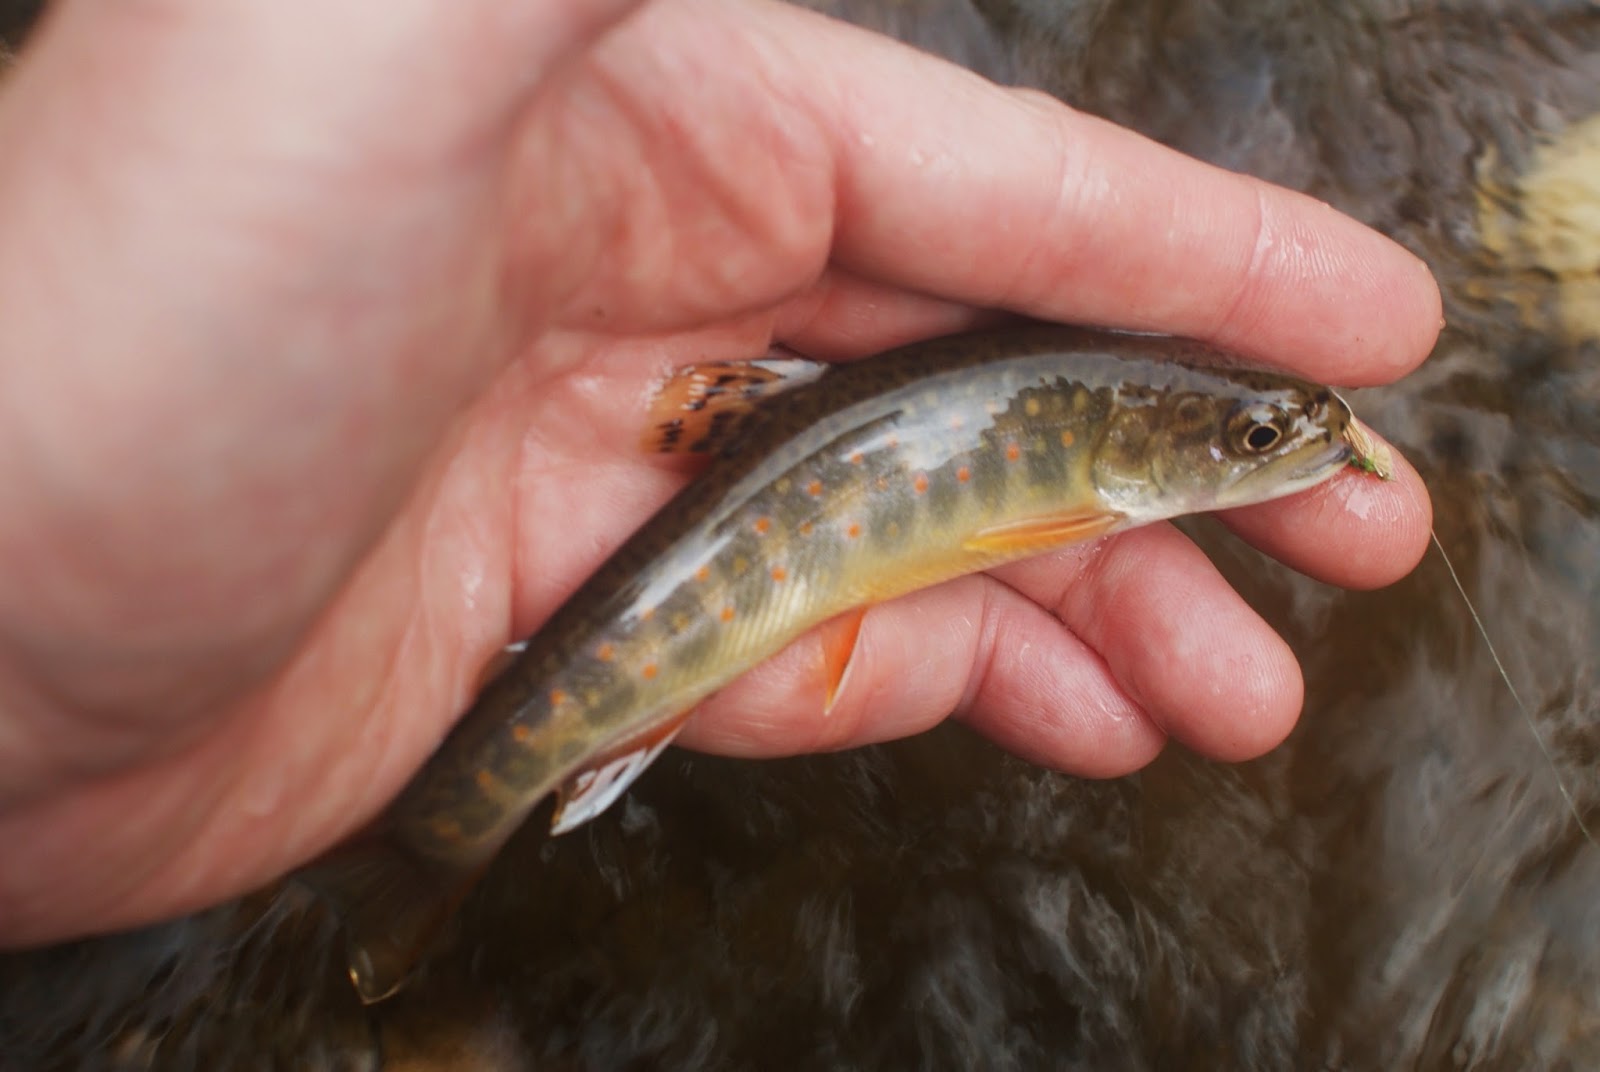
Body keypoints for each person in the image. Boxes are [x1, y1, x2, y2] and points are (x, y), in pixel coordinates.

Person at [0, 0, 1438, 947]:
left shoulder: (1099, 446)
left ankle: (429, 838)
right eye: (1256, 440)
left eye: (1270, 441)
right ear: (1141, 454)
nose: (1285, 449)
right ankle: (442, 831)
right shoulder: (1086, 477)